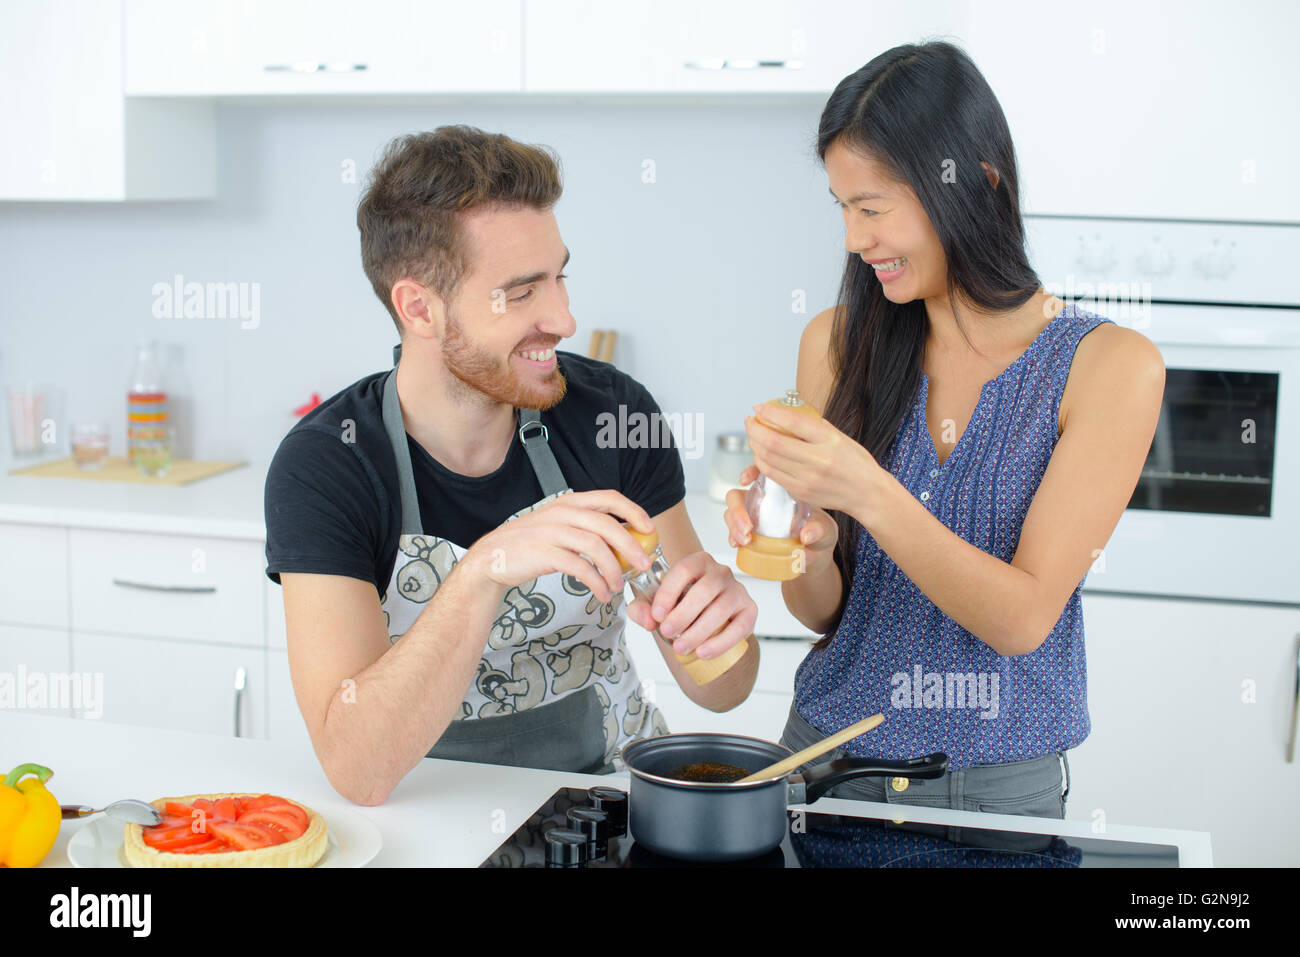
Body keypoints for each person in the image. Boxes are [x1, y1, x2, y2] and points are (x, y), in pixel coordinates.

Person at [724, 42, 1165, 848]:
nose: (857, 238)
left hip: (990, 807)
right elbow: (821, 613)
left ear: (979, 180)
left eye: (875, 206)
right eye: (843, 207)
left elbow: (1024, 617)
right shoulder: (835, 342)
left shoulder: (1108, 367)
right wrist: (806, 547)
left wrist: (863, 487)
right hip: (822, 765)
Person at [265, 125, 758, 805]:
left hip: (610, 802)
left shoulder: (614, 415)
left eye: (559, 277)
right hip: (427, 819)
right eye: (523, 293)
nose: (564, 316)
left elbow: (723, 689)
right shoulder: (327, 465)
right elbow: (359, 768)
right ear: (420, 308)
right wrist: (483, 571)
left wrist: (721, 625)